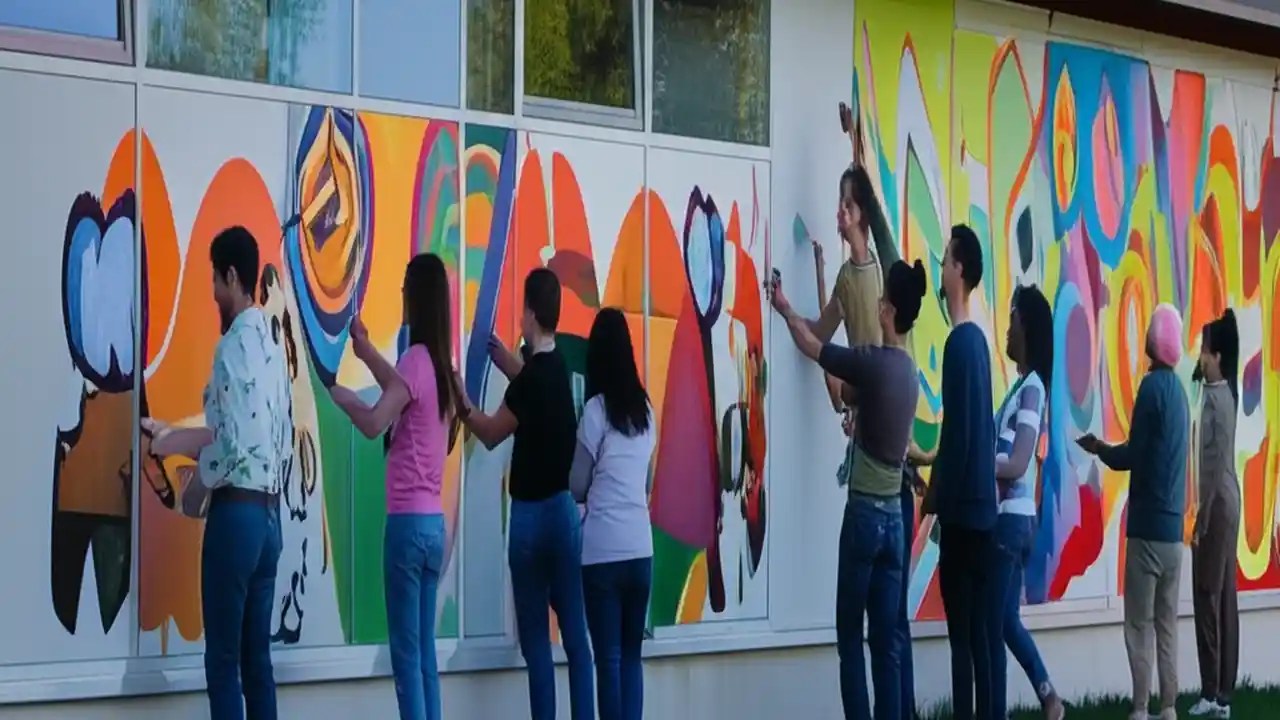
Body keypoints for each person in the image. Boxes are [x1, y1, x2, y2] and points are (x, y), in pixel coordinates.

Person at [143, 226, 291, 720]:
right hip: (269, 522)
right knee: (257, 664)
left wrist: (196, 487)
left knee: (222, 664)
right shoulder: (272, 350)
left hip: (236, 521)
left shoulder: (231, 350)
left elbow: (228, 446)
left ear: (232, 277)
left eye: (214, 280)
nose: (213, 292)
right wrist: (169, 435)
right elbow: (244, 433)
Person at [771, 258, 928, 720]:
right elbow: (855, 398)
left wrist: (783, 308)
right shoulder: (908, 374)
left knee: (850, 641)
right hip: (894, 527)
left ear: (887, 309)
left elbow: (813, 344)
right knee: (886, 643)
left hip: (862, 518)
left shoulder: (873, 364)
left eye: (881, 301)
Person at [456, 268, 594, 720]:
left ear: (530, 314)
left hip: (531, 522)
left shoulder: (531, 381)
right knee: (576, 636)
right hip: (564, 514)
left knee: (537, 644)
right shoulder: (558, 371)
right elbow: (533, 381)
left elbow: (492, 432)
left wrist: (461, 401)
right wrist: (505, 362)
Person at [328, 254, 462, 720]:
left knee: (406, 660)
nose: (401, 293)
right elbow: (402, 385)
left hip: (405, 530)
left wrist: (338, 393)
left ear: (417, 297)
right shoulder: (440, 367)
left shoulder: (416, 361)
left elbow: (372, 422)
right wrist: (364, 352)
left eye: (405, 286)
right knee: (424, 657)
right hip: (433, 531)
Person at [1078, 303, 1190, 720]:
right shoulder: (1179, 394)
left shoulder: (1150, 390)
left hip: (1145, 531)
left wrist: (1100, 449)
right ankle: (1169, 706)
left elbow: (1133, 455)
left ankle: (1141, 707)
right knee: (1167, 624)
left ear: (1153, 341)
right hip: (1173, 534)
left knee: (1138, 624)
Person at [924, 224, 999, 720]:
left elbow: (957, 438)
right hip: (983, 517)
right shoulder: (979, 346)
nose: (942, 267)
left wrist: (932, 503)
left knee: (962, 643)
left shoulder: (959, 345)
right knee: (982, 641)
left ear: (960, 271)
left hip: (962, 520)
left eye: (947, 259)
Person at [568, 308, 656, 720]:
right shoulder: (646, 412)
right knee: (632, 658)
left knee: (609, 660)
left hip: (602, 553)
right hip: (640, 551)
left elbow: (577, 485)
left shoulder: (595, 413)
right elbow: (648, 481)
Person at [992, 285, 1065, 720]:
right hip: (1009, 522)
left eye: (1013, 314)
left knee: (996, 623)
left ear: (1026, 326)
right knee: (1003, 622)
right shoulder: (1022, 387)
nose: (1007, 324)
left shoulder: (1032, 389)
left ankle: (1045, 700)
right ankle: (1050, 699)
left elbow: (1019, 461)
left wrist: (976, 467)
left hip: (1010, 524)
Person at [1189, 310, 1241, 720]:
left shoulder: (1219, 401)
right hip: (1222, 502)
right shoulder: (1211, 392)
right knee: (1221, 594)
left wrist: (1201, 520)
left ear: (1218, 357)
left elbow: (1215, 463)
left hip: (1218, 507)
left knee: (1209, 594)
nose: (1200, 356)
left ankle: (1213, 691)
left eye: (1205, 349)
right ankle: (1222, 693)